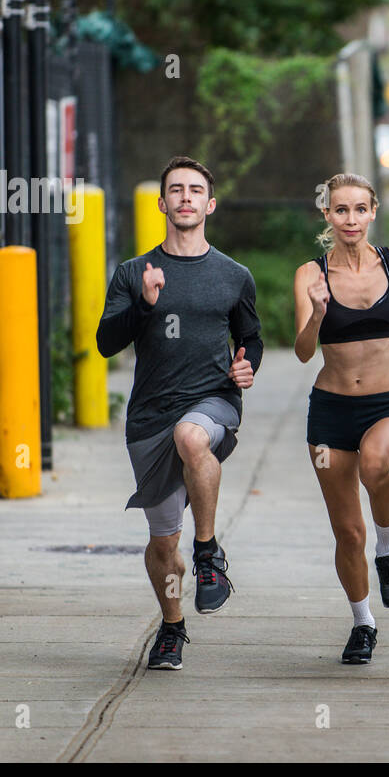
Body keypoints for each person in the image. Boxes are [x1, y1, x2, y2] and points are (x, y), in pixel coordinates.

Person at [96, 156, 263, 670]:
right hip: (149, 414)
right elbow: (106, 343)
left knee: (193, 439)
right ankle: (172, 628)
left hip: (212, 401)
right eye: (177, 190)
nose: (186, 197)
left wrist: (246, 367)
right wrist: (144, 304)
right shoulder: (133, 273)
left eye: (196, 190)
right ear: (162, 203)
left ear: (209, 204)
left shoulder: (233, 275)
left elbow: (251, 338)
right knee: (163, 542)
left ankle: (209, 554)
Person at [293, 173, 389, 665]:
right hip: (330, 412)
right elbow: (301, 352)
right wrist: (316, 313)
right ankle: (363, 623)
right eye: (340, 210)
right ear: (327, 216)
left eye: (359, 209)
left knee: (377, 464)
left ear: (373, 211)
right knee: (346, 533)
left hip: (386, 405)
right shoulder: (309, 275)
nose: (350, 219)